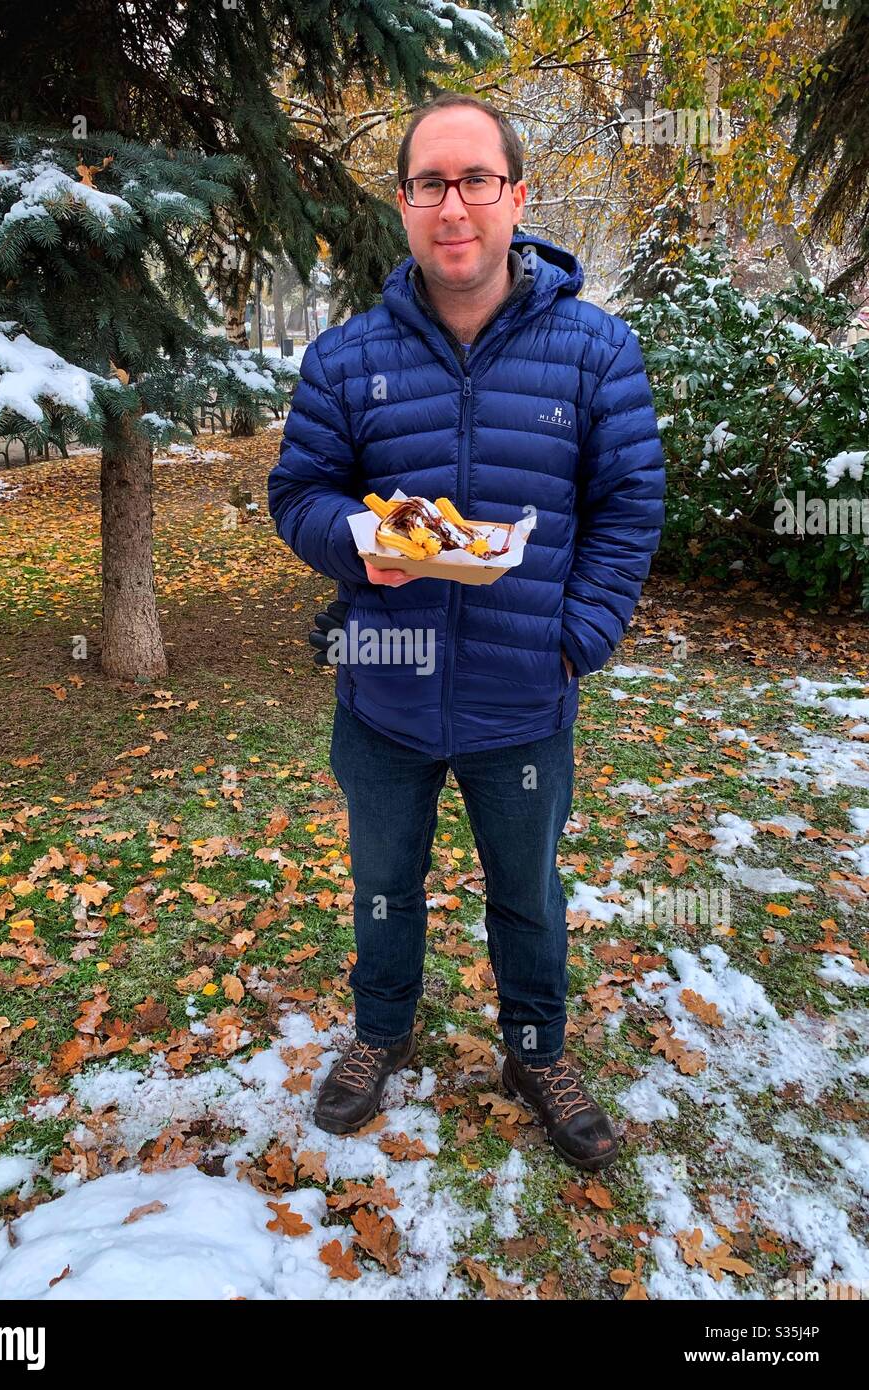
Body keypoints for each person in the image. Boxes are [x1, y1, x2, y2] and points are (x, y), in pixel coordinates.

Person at [267, 92, 666, 1171]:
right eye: (428, 183)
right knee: (383, 881)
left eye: (474, 180)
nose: (453, 205)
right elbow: (298, 489)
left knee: (527, 891)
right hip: (384, 684)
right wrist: (356, 540)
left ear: (516, 196)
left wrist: (574, 636)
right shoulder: (347, 359)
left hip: (521, 693)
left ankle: (536, 1047)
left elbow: (630, 504)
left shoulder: (595, 350)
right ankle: (381, 1032)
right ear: (403, 205)